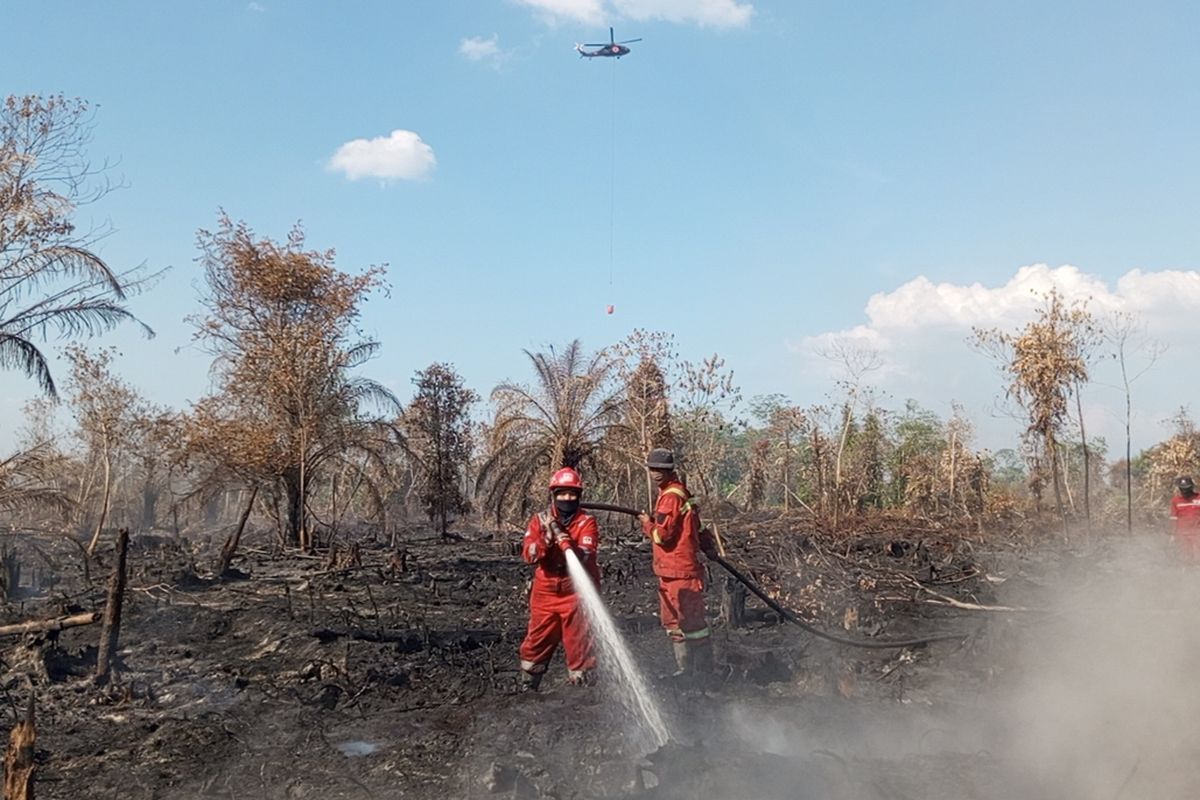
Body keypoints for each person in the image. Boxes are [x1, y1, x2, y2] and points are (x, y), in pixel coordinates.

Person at [638, 448, 718, 683]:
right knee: (674, 622)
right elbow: (697, 526)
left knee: (691, 624)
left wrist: (646, 524)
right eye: (653, 469)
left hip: (680, 570)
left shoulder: (671, 497)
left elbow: (662, 536)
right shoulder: (679, 493)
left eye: (660, 470)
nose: (656, 474)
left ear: (670, 470)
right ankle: (687, 672)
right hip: (669, 571)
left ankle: (701, 672)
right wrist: (708, 547)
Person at [518, 467, 600, 692]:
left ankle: (581, 690)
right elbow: (530, 554)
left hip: (576, 592)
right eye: (562, 494)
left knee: (579, 641)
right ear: (553, 495)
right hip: (545, 592)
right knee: (538, 639)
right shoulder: (539, 521)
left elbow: (586, 553)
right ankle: (529, 686)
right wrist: (546, 539)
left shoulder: (586, 522)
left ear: (579, 496)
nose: (567, 499)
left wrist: (568, 543)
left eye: (572, 494)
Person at [1169, 475, 1200, 561]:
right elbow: (1174, 519)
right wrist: (1172, 535)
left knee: (1198, 556)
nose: (1185, 491)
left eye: (1187, 488)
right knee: (1185, 557)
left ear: (1192, 487)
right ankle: (1185, 572)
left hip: (1197, 533)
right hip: (1182, 534)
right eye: (1183, 489)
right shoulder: (1175, 501)